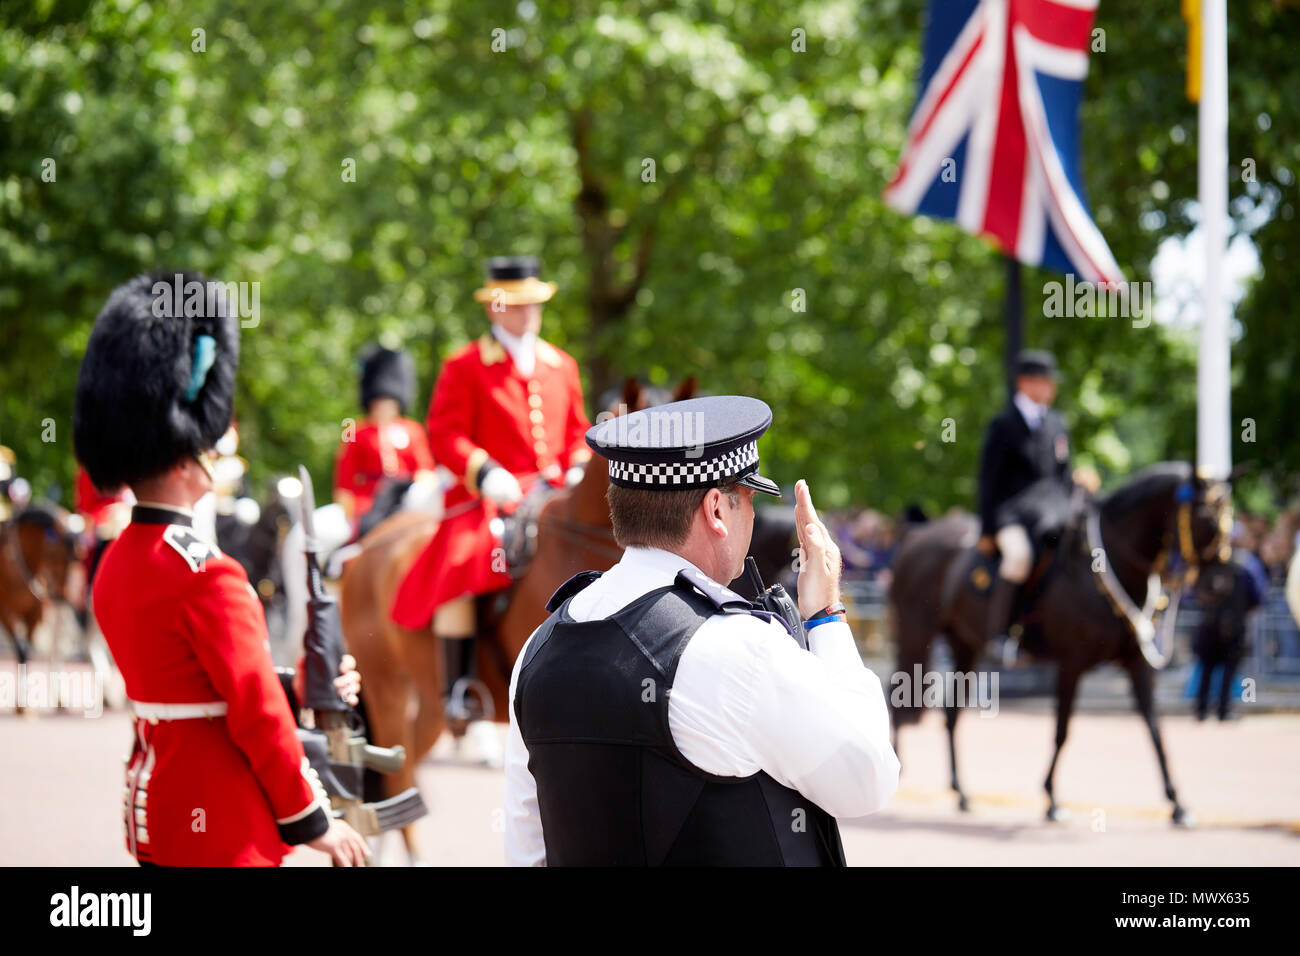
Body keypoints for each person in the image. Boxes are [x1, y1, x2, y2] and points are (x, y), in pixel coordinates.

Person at [505, 396, 899, 866]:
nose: (751, 517)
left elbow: (527, 851)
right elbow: (869, 778)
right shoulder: (736, 647)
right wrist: (826, 615)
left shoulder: (540, 646)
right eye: (748, 497)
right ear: (716, 509)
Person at [73, 271, 369, 866]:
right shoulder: (208, 573)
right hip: (225, 827)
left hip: (157, 808)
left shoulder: (119, 560)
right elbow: (253, 712)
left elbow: (195, 681)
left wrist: (298, 683)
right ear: (186, 454)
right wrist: (313, 821)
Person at [390, 256, 591, 737]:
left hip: (554, 493)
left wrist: (580, 466)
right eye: (519, 306)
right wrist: (484, 471)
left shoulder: (560, 363)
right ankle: (460, 688)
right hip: (492, 496)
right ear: (496, 309)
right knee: (466, 559)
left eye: (535, 305)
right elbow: (445, 433)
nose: (530, 314)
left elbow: (578, 431)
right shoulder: (464, 365)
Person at [976, 349, 1073, 645]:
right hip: (1013, 516)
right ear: (1024, 383)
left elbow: (1064, 474)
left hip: (1052, 513)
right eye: (1044, 381)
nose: (1051, 388)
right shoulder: (1003, 425)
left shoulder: (1057, 423)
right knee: (1018, 558)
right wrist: (987, 529)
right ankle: (999, 634)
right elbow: (988, 481)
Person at [333, 345, 436, 534]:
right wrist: (349, 515)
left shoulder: (413, 430)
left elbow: (425, 473)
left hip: (405, 504)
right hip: (365, 507)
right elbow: (345, 484)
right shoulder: (355, 431)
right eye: (380, 401)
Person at [1193, 530, 1265, 721]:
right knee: (1225, 672)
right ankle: (1222, 711)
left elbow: (1195, 594)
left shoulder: (1209, 565)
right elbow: (1257, 598)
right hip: (1233, 627)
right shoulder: (1247, 566)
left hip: (1211, 626)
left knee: (1207, 670)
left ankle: (1201, 710)